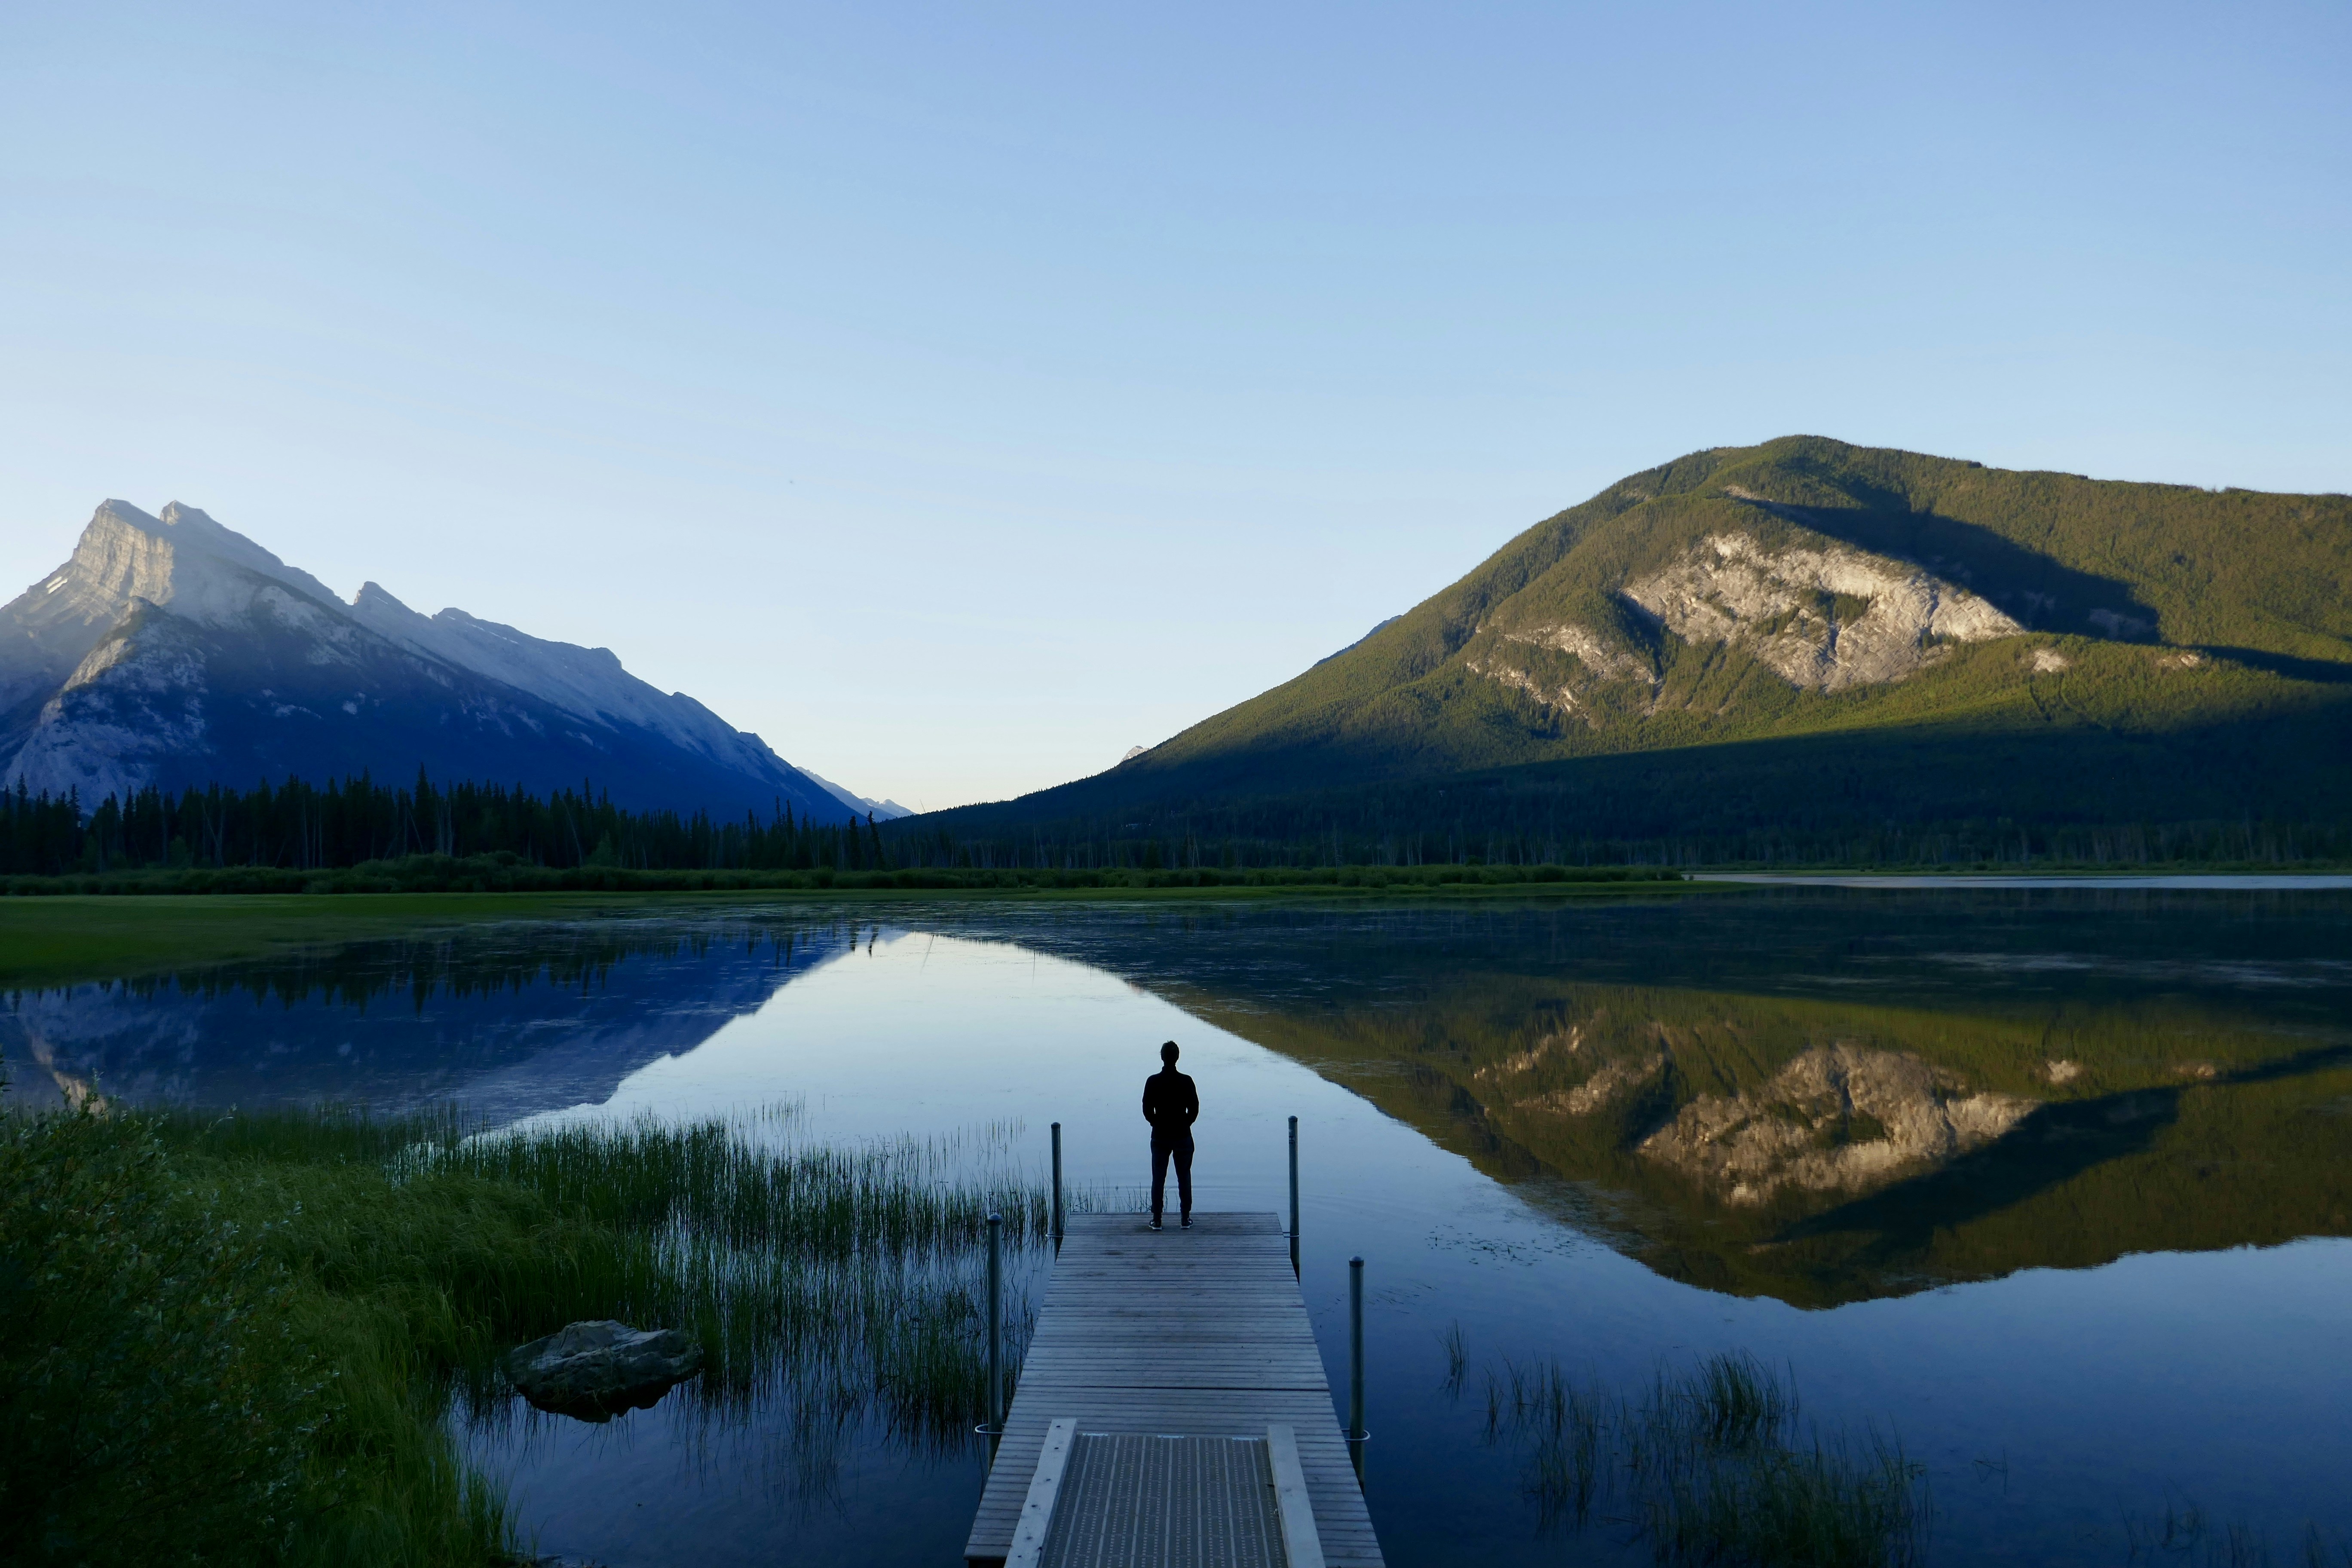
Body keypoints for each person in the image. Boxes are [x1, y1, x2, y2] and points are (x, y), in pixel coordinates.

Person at [1141, 1039, 1198, 1231]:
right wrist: (1185, 1123)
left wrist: (1156, 1123)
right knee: (1184, 1176)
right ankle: (1185, 1218)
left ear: (1162, 1058)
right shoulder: (1186, 1081)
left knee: (1158, 1178)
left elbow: (1147, 1109)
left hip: (1160, 1136)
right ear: (1177, 1058)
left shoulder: (1153, 1081)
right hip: (1183, 1135)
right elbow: (1195, 1109)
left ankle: (1157, 1220)